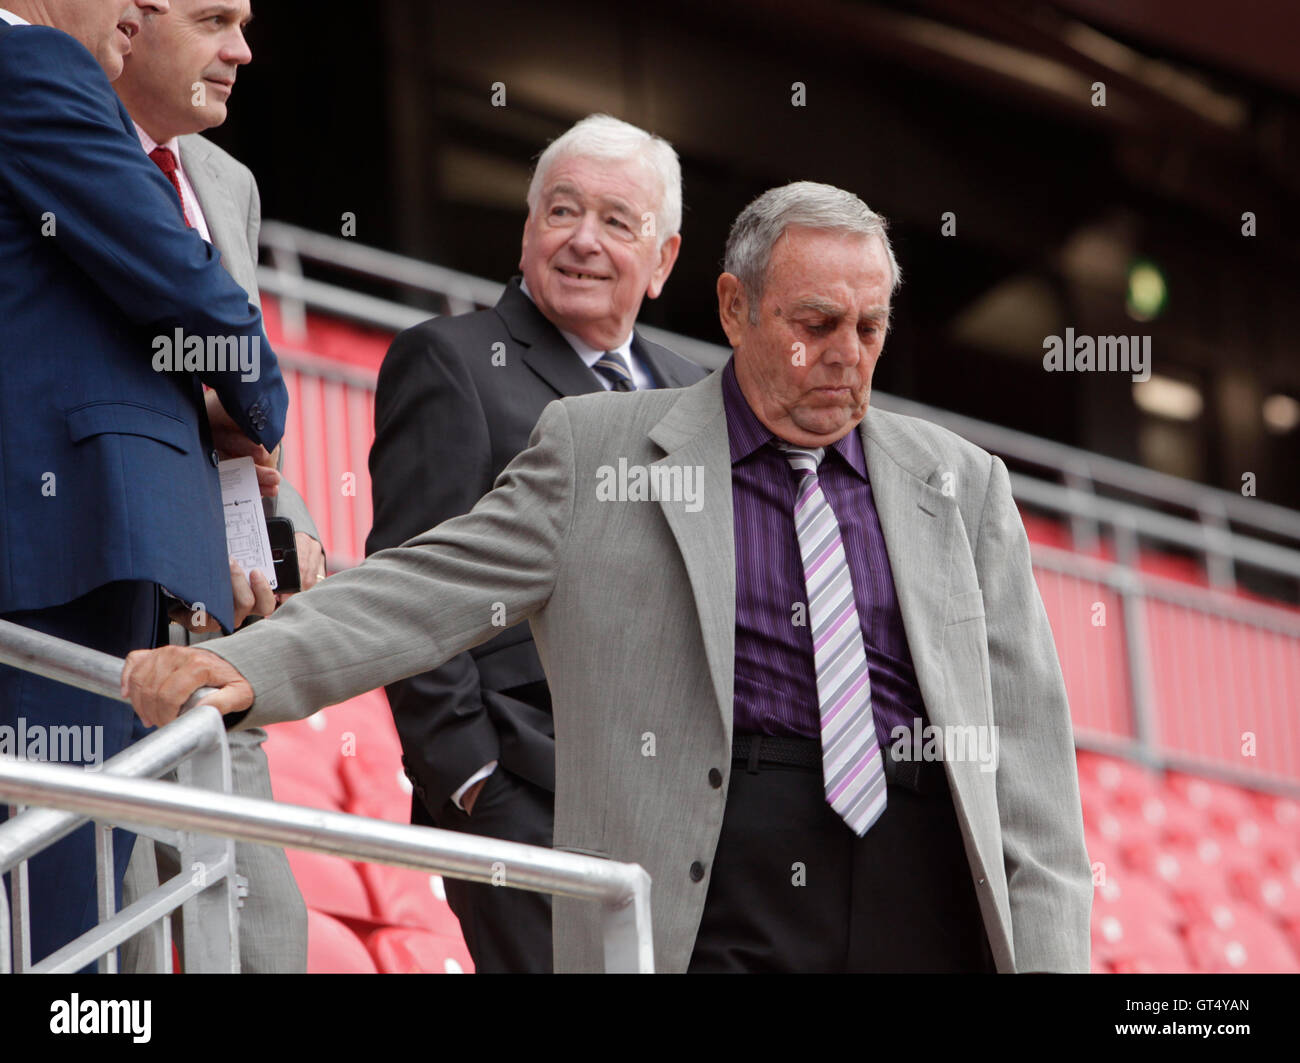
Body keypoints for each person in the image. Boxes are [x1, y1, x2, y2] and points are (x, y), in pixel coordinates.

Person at [123, 182, 1092, 974]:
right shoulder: (599, 452)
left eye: (871, 327)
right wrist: (251, 663)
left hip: (924, 878)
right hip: (714, 880)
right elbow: (426, 585)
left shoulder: (961, 483)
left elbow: (1032, 772)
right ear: (734, 308)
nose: (847, 356)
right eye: (816, 323)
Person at [368, 113, 706, 972]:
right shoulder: (451, 360)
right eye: (562, 211)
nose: (583, 239)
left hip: (686, 807)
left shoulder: (701, 396)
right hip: (528, 795)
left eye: (616, 221)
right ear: (527, 231)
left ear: (663, 259)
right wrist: (472, 781)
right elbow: (411, 584)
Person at [0, 0, 288, 967]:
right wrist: (260, 401)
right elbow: (185, 285)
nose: (129, 13)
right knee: (60, 919)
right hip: (67, 553)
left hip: (78, 550)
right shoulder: (33, 62)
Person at [111, 0, 317, 974]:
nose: (242, 49)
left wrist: (285, 524)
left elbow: (250, 398)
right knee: (124, 950)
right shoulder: (56, 145)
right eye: (212, 20)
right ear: (131, 19)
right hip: (104, 619)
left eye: (243, 20)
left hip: (214, 636)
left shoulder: (227, 181)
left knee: (267, 932)